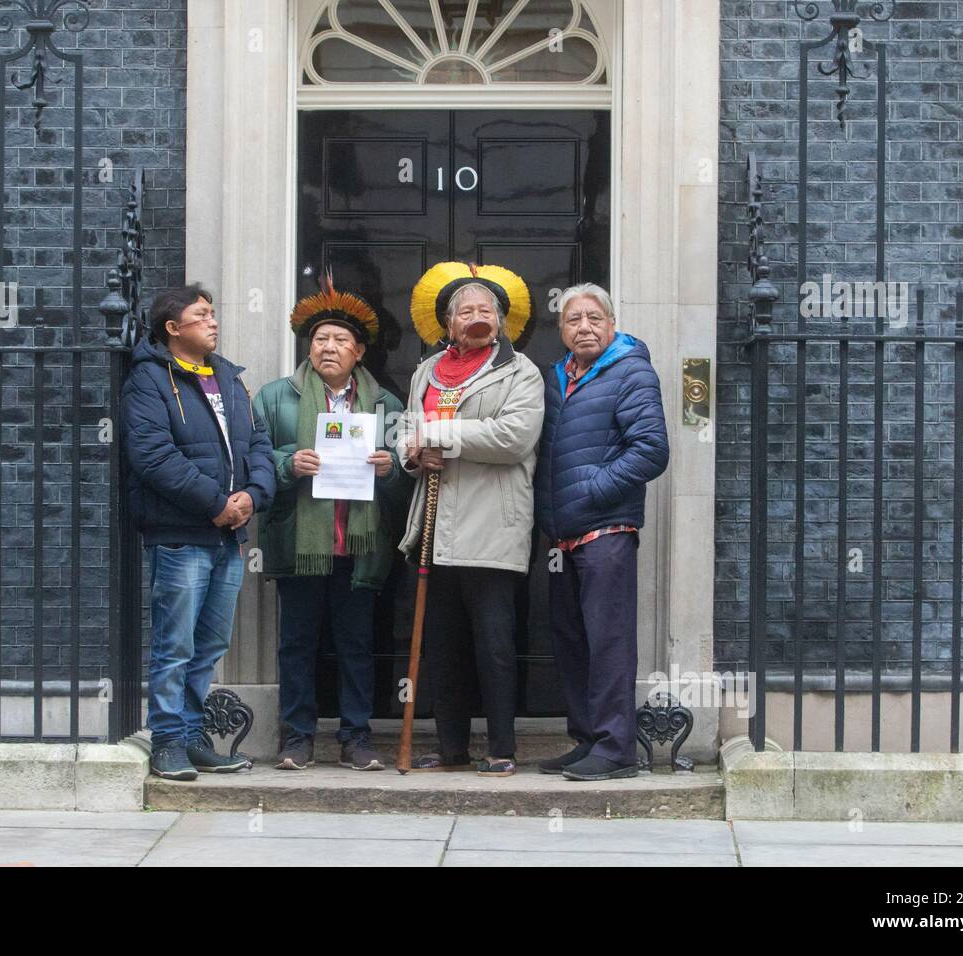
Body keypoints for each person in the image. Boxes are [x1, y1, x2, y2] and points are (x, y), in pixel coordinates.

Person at [252, 275, 410, 771]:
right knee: (297, 643)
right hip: (300, 540)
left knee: (356, 645)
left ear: (359, 351)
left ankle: (356, 737)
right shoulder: (276, 397)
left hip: (359, 546)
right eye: (321, 338)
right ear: (309, 346)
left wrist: (391, 468)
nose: (329, 347)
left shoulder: (385, 405)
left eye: (341, 340)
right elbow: (252, 460)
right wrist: (286, 463)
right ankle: (297, 737)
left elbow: (410, 474)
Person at [121, 284, 276, 780]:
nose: (213, 322)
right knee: (175, 645)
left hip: (228, 537)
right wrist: (215, 505)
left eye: (213, 313)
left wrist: (253, 494)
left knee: (209, 646)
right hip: (181, 534)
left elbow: (259, 442)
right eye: (202, 314)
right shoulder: (148, 380)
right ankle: (166, 739)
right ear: (173, 328)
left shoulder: (227, 376)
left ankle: (191, 737)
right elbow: (153, 456)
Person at [397, 262, 545, 777]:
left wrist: (441, 437)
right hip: (434, 528)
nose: (476, 317)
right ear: (449, 322)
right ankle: (452, 746)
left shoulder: (521, 372)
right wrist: (413, 455)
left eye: (486, 310)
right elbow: (406, 433)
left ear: (502, 321)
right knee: (443, 645)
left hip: (492, 528)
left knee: (494, 645)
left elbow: (513, 438)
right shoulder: (425, 372)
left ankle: (501, 748)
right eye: (465, 310)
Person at [534, 282, 669, 781]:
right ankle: (587, 739)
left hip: (606, 531)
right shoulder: (557, 378)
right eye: (573, 319)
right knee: (572, 642)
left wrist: (592, 488)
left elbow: (652, 450)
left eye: (594, 318)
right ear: (561, 328)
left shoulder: (631, 370)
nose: (584, 327)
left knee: (609, 642)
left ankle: (616, 749)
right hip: (563, 536)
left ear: (612, 324)